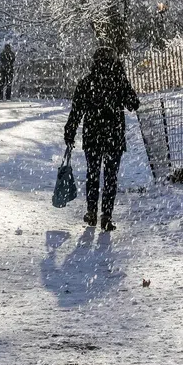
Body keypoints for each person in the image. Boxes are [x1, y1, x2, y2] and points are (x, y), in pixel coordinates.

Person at [63, 47, 140, 232]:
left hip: (93, 136)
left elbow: (76, 112)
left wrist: (70, 133)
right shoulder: (118, 81)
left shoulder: (86, 83)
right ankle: (106, 215)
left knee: (93, 174)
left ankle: (91, 211)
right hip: (114, 135)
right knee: (111, 177)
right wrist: (121, 79)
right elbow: (134, 104)